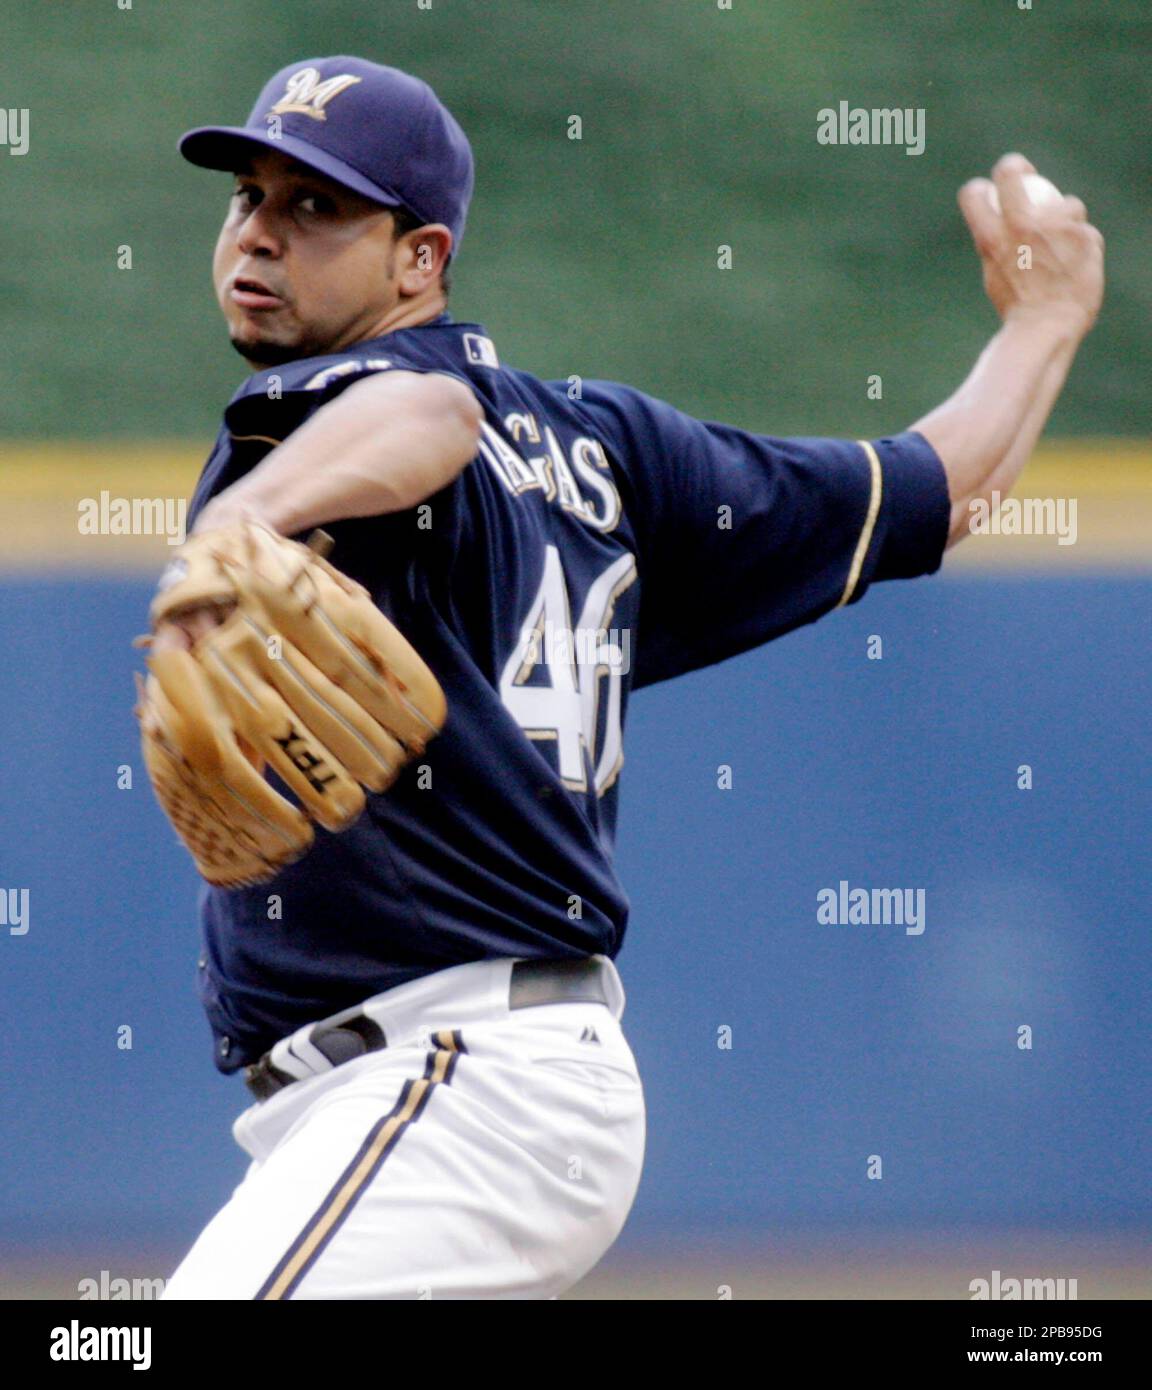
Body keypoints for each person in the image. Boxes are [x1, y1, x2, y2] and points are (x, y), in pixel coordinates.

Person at [154, 56, 1104, 1299]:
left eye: (318, 207)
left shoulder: (321, 414)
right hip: (425, 1102)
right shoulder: (607, 450)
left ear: (421, 259)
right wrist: (1044, 324)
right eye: (249, 195)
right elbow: (929, 487)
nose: (261, 232)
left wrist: (251, 518)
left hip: (450, 1083)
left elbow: (429, 416)